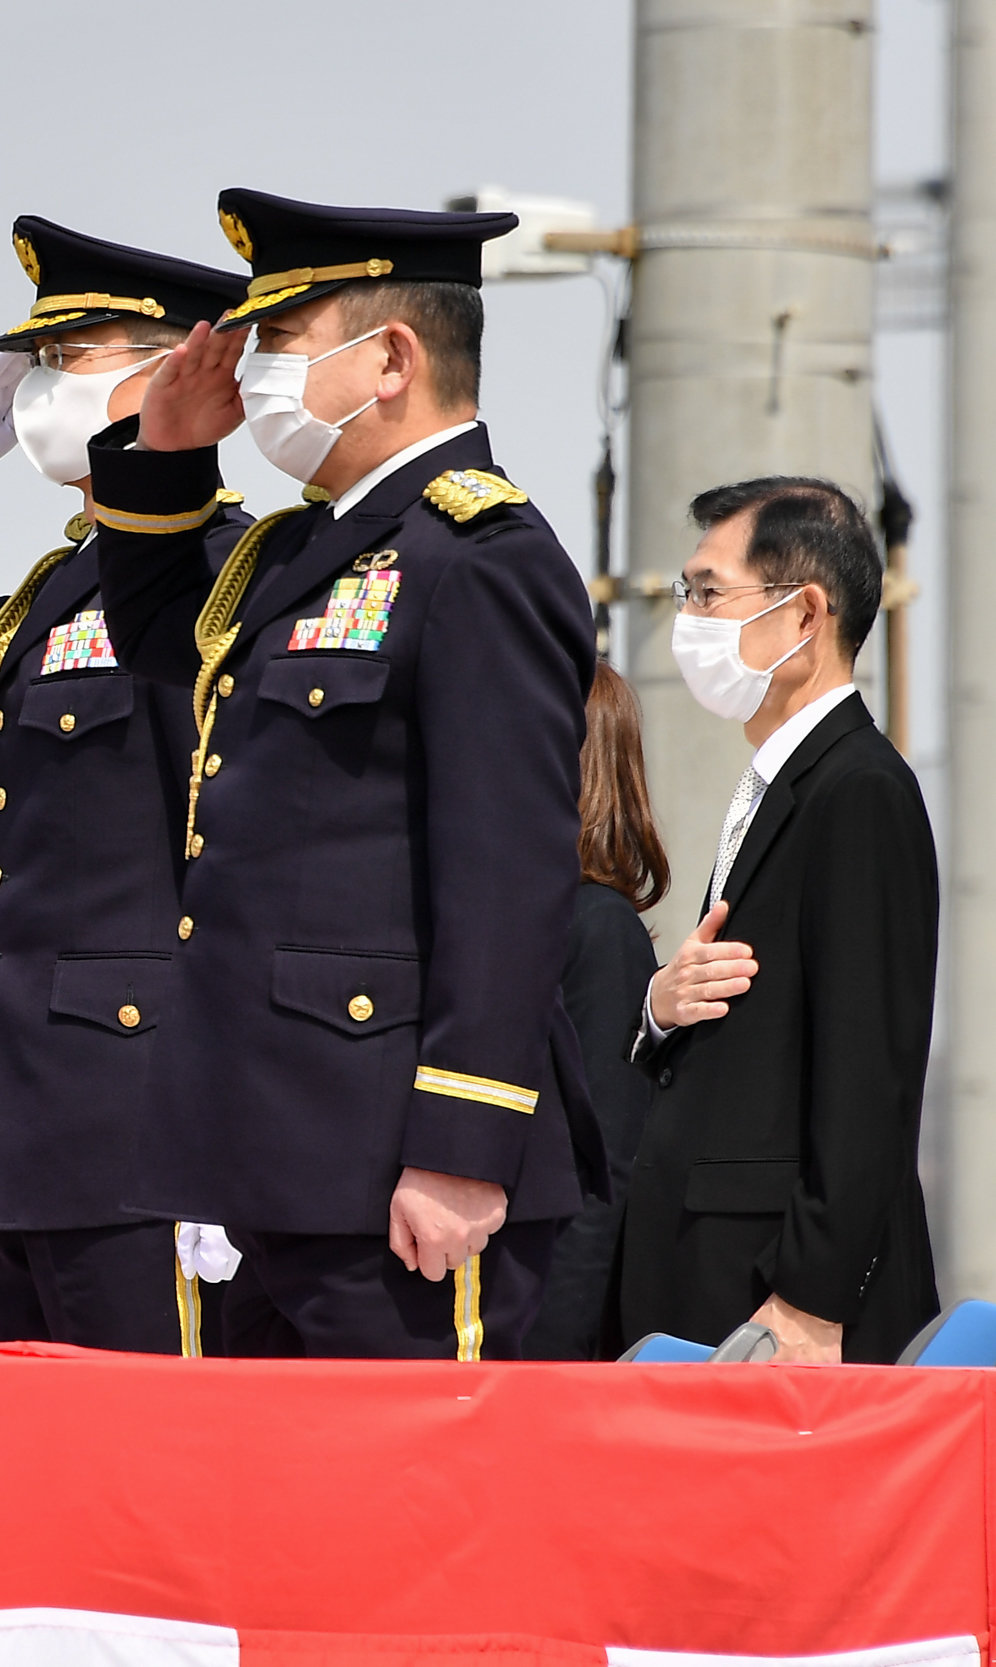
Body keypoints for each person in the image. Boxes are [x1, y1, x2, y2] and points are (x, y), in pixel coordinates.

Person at [87, 188, 603, 1359]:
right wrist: (165, 455)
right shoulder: (303, 549)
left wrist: (462, 1145)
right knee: (269, 1479)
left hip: (399, 1167)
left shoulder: (480, 557)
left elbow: (506, 875)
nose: (253, 369)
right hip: (274, 1154)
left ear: (392, 359)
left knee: (416, 1472)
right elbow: (161, 638)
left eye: (280, 339)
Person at [0, 216, 251, 1354]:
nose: (41, 389)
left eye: (73, 357)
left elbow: (232, 862)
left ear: (180, 369)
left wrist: (223, 1128)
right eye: (37, 362)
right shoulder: (54, 589)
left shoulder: (223, 572)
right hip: (24, 1111)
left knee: (153, 1442)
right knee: (41, 1442)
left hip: (145, 1111)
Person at [616, 478, 939, 1364]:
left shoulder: (860, 789)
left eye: (709, 592)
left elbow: (870, 1075)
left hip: (784, 1310)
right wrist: (660, 1010)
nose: (689, 617)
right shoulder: (781, 781)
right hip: (715, 1285)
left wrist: (810, 1300)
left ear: (803, 614)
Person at [523, 662, 664, 1359]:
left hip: (539, 1329)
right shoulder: (526, 922)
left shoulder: (599, 928)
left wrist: (548, 1354)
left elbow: (604, 1165)